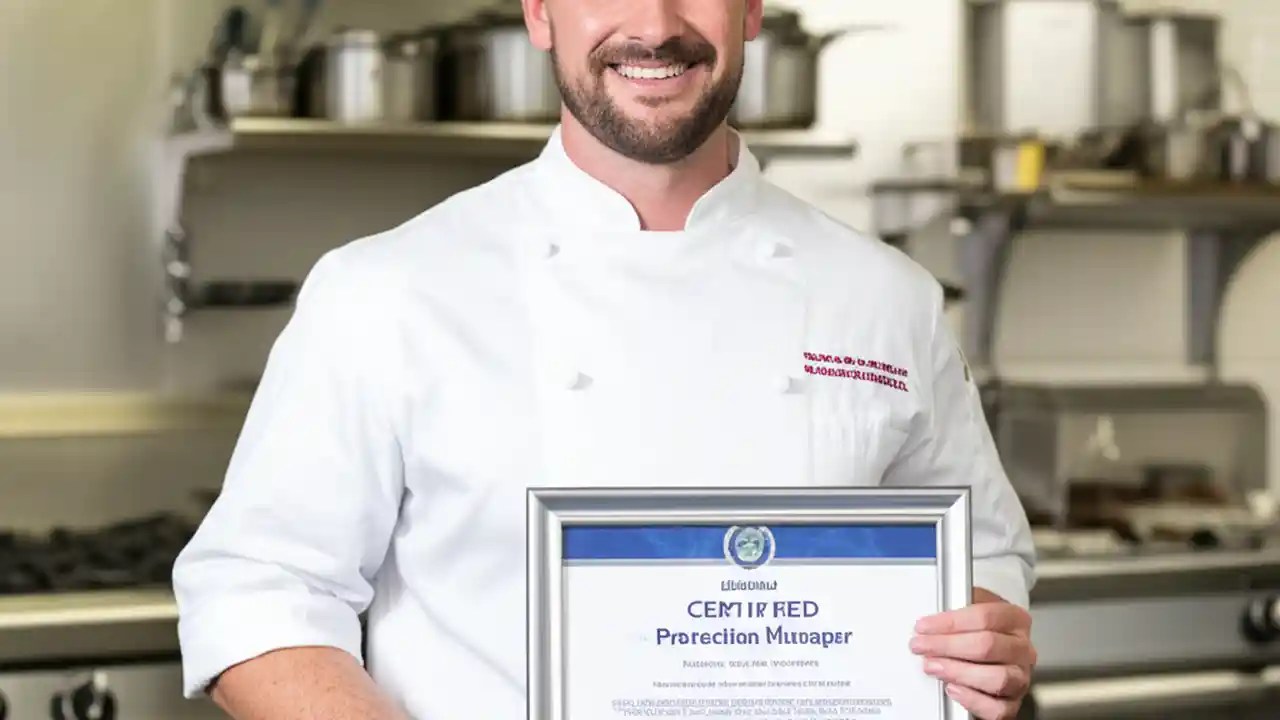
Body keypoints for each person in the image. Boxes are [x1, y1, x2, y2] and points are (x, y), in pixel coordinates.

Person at [172, 1, 1038, 718]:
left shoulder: (888, 297)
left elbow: (984, 561)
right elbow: (259, 590)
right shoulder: (386, 290)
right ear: (540, 12)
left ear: (752, 10)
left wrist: (986, 637)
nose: (654, 24)